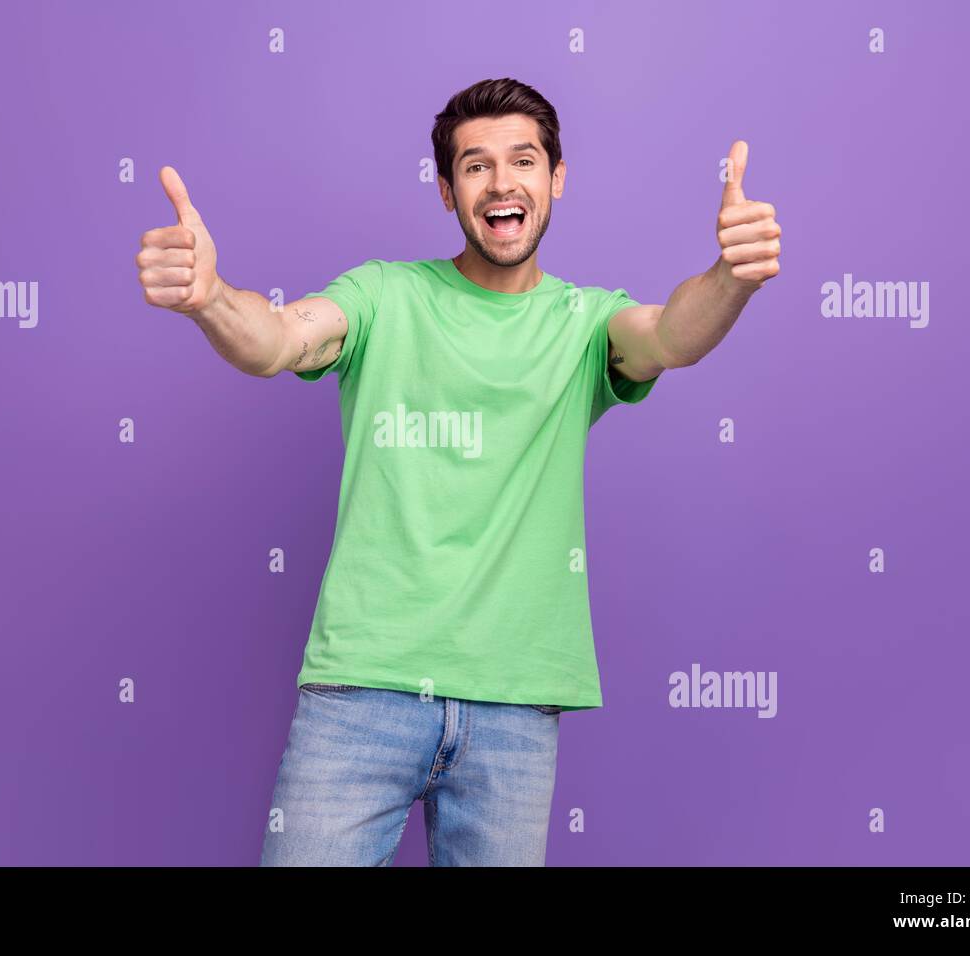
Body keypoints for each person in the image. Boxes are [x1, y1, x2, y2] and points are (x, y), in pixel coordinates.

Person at [135, 77, 781, 866]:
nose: (502, 183)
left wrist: (730, 278)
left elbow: (669, 336)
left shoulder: (586, 321)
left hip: (515, 707)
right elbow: (277, 339)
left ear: (556, 179)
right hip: (362, 693)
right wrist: (208, 300)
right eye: (476, 166)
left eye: (524, 161)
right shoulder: (382, 296)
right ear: (446, 191)